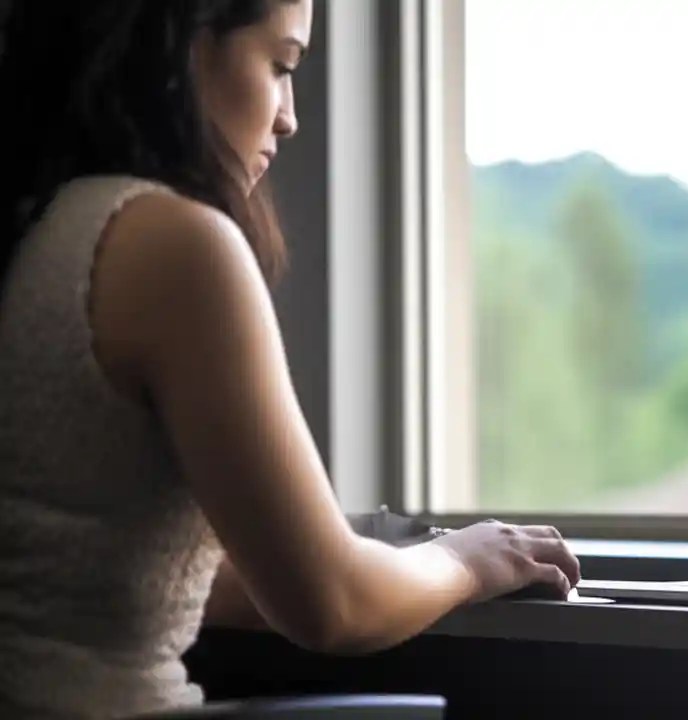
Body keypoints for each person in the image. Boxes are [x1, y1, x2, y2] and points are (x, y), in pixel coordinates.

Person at [0, 1, 580, 717]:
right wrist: (466, 559)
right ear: (183, 43)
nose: (289, 117)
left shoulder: (39, 230)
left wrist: (355, 556)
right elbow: (335, 604)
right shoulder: (169, 244)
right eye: (280, 64)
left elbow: (100, 574)